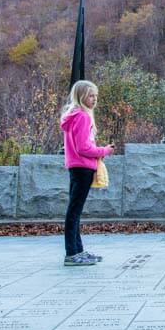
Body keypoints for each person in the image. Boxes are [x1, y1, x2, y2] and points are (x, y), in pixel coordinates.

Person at [60, 80, 115, 266]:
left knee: (75, 210)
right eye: (91, 95)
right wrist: (104, 150)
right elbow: (84, 147)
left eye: (96, 96)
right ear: (81, 96)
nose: (94, 99)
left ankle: (78, 251)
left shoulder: (73, 116)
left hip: (76, 167)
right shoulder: (83, 117)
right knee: (74, 212)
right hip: (83, 167)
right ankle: (72, 254)